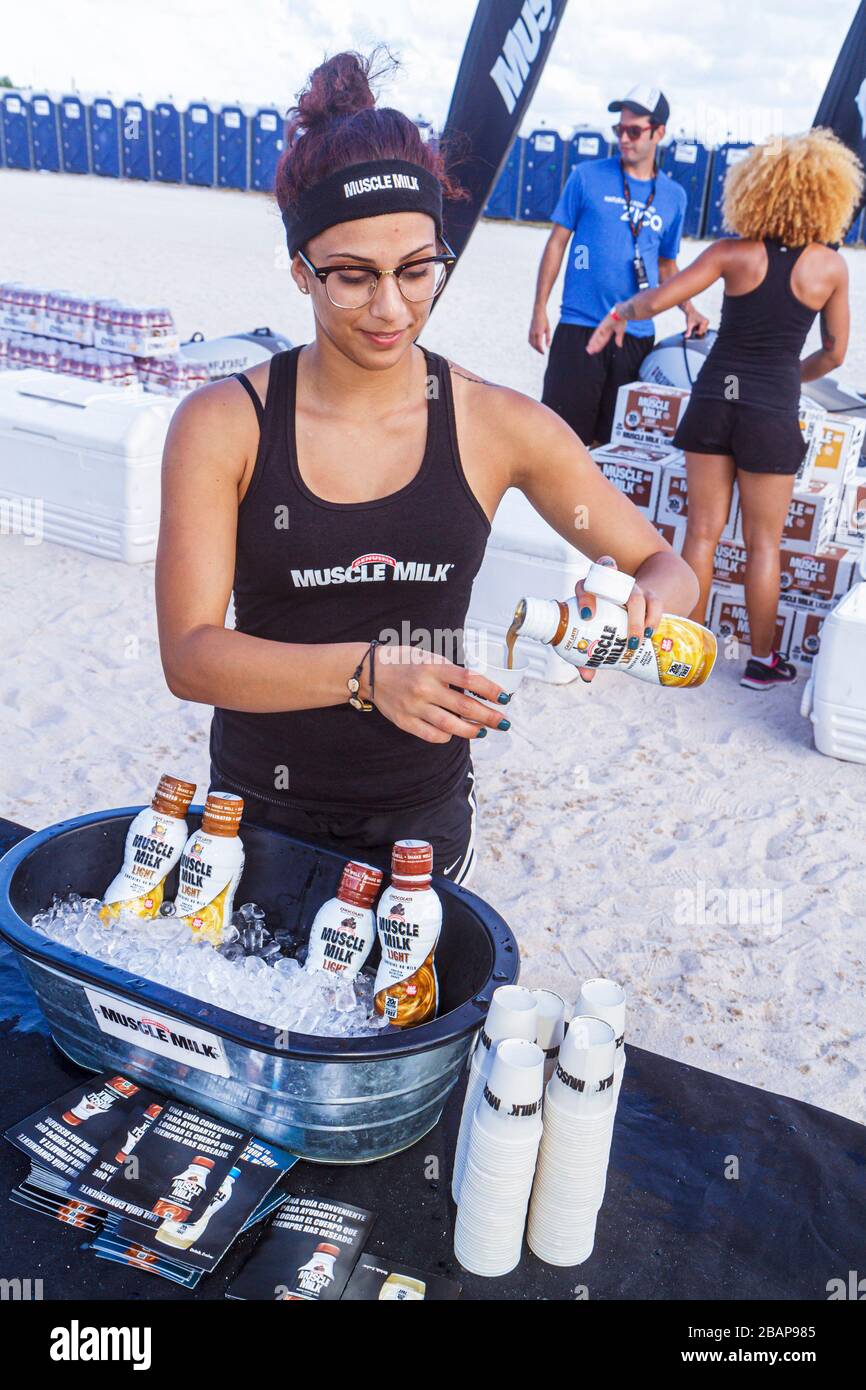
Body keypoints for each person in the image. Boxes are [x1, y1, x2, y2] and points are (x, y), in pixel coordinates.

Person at [155, 50, 699, 887]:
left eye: (417, 271)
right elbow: (189, 657)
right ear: (301, 270)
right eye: (351, 278)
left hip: (422, 820)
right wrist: (368, 675)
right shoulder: (224, 423)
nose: (390, 308)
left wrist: (635, 607)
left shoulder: (497, 424)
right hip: (256, 809)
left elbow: (665, 565)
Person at [586, 127, 861, 690]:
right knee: (765, 544)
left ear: (755, 190)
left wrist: (617, 316)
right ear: (829, 196)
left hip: (714, 399)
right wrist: (791, 376)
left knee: (702, 536)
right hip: (771, 410)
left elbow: (656, 299)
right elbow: (834, 354)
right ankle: (762, 662)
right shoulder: (829, 268)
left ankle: (680, 652)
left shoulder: (733, 253)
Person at [530, 85, 708, 447]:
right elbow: (556, 243)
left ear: (659, 132)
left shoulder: (675, 196)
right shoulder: (586, 176)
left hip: (636, 337)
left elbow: (667, 265)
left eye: (634, 130)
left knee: (617, 445)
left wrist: (689, 309)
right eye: (619, 130)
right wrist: (539, 309)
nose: (624, 138)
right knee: (560, 442)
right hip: (581, 327)